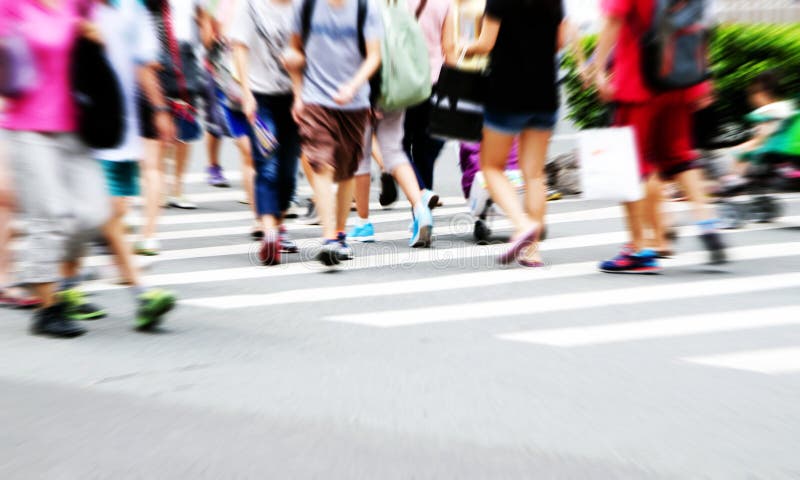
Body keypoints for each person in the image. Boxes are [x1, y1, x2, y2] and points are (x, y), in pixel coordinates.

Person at [1, 0, 111, 337]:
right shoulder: (13, 6)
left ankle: (53, 277)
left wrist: (95, 35)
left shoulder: (76, 4)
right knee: (48, 215)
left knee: (93, 213)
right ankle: (48, 308)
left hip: (74, 125)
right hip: (28, 127)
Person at [591, 0, 727, 273]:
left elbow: (613, 21)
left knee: (629, 165)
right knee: (678, 154)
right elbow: (699, 25)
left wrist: (597, 69)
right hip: (680, 78)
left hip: (638, 81)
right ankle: (705, 218)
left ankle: (640, 249)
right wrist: (703, 76)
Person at [91, 0, 177, 328]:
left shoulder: (134, 8)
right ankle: (141, 293)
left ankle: (67, 284)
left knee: (113, 210)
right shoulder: (80, 7)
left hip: (121, 128)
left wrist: (159, 110)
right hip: (85, 127)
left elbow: (145, 64)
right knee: (107, 209)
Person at [459, 0, 564, 266]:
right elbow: (559, 42)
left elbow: (485, 44)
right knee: (535, 174)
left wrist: (465, 49)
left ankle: (521, 224)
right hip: (545, 90)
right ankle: (533, 251)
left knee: (491, 167)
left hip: (508, 91)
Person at [286, 0, 382, 266]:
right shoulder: (305, 7)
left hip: (354, 102)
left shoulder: (365, 7)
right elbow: (294, 50)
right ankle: (329, 237)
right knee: (321, 164)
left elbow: (374, 55)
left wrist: (353, 86)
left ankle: (340, 234)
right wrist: (297, 95)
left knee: (347, 169)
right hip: (315, 98)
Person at [230, 0, 301, 265]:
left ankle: (278, 227)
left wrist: (302, 94)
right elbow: (239, 47)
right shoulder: (252, 6)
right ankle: (270, 232)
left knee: (288, 172)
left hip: (293, 98)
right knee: (267, 165)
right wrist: (246, 93)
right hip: (261, 101)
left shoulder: (301, 7)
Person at [136, 0, 204, 256]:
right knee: (151, 163)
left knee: (153, 162)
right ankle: (147, 230)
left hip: (158, 78)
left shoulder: (147, 11)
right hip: (154, 79)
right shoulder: (152, 11)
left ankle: (149, 227)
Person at [348, 108, 435, 248]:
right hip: (393, 95)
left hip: (365, 97)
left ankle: (363, 224)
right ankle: (421, 208)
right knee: (394, 153)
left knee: (362, 156)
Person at [402, 0, 449, 206]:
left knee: (395, 146)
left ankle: (420, 192)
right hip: (435, 81)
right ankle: (423, 218)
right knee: (424, 151)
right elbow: (449, 49)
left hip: (402, 81)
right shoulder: (445, 3)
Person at [721, 70, 797, 187]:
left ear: (761, 94)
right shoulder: (787, 106)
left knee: (740, 151)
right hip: (787, 146)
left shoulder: (765, 111)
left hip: (771, 146)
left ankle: (735, 177)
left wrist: (738, 148)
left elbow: (760, 138)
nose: (751, 99)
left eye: (751, 94)